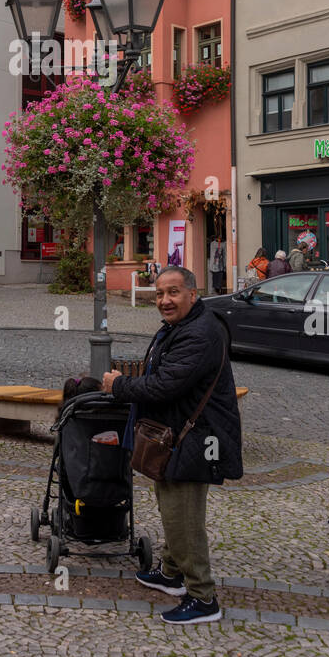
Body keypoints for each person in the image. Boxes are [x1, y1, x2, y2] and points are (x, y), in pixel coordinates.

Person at [101, 265, 243, 625]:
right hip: (177, 433)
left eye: (174, 292)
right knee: (171, 504)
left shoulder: (200, 333)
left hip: (196, 436)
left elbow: (165, 385)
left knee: (184, 516)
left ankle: (203, 597)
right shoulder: (181, 327)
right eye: (160, 293)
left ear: (192, 294)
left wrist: (118, 386)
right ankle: (170, 573)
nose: (165, 300)